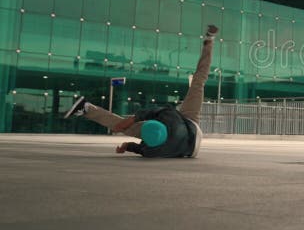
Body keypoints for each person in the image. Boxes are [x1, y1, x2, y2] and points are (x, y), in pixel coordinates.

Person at [63, 25, 218, 158]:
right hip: (191, 124)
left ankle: (86, 108)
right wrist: (128, 139)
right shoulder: (167, 124)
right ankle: (209, 43)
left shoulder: (155, 150)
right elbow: (146, 132)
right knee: (198, 83)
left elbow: (142, 140)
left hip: (188, 143)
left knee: (124, 126)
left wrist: (129, 132)